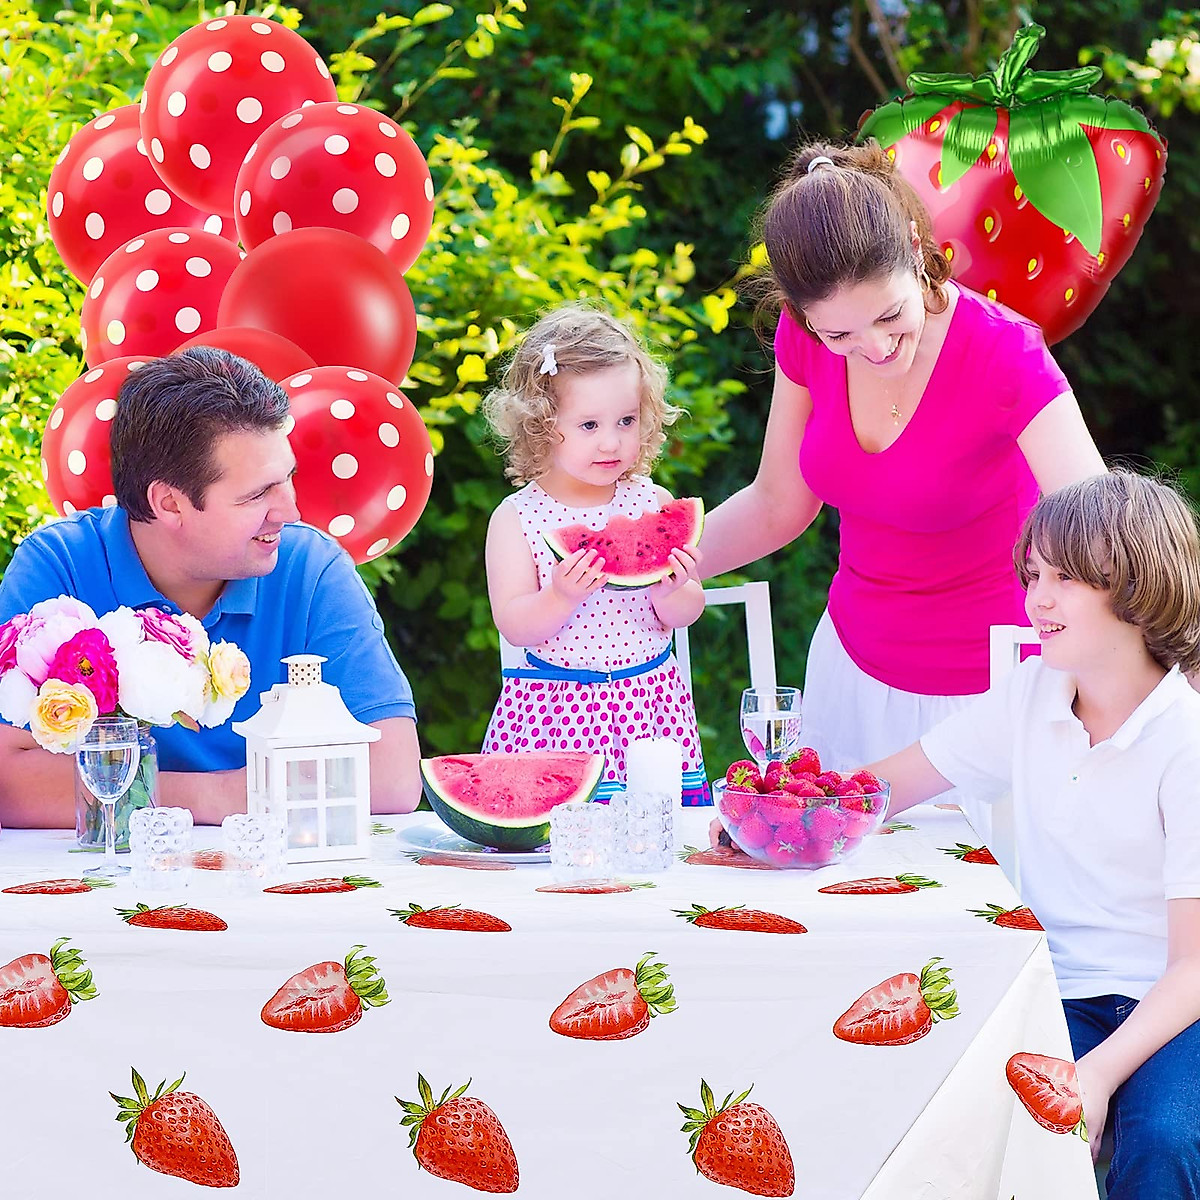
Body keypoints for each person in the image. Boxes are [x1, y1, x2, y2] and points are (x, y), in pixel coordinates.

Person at [699, 137, 1106, 838]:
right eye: (841, 335)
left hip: (993, 693)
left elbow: (1106, 531)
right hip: (850, 676)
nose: (876, 348)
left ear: (917, 249)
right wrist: (639, 576)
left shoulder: (1007, 354)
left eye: (890, 316)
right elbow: (776, 504)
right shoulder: (806, 340)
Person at [861, 471, 1200, 1198]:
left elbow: (1194, 967)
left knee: (1164, 1146)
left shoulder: (1188, 741)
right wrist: (778, 817)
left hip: (1171, 1006)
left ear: (1140, 592)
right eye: (1033, 573)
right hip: (1050, 989)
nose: (1036, 599)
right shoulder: (1029, 696)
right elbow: (888, 787)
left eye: (1067, 579)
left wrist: (1098, 1075)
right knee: (955, 1125)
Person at [0, 347, 422, 826]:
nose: (290, 512)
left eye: (287, 479)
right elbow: (8, 783)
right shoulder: (60, 567)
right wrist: (224, 796)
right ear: (170, 504)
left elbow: (393, 776)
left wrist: (136, 792)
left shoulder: (312, 568)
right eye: (257, 494)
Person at [480, 304, 709, 804]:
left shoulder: (653, 501)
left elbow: (684, 614)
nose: (612, 441)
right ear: (540, 424)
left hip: (650, 705)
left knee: (659, 837)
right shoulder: (518, 517)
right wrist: (559, 596)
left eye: (626, 420)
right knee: (562, 849)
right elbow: (515, 625)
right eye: (589, 425)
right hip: (554, 711)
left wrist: (676, 589)